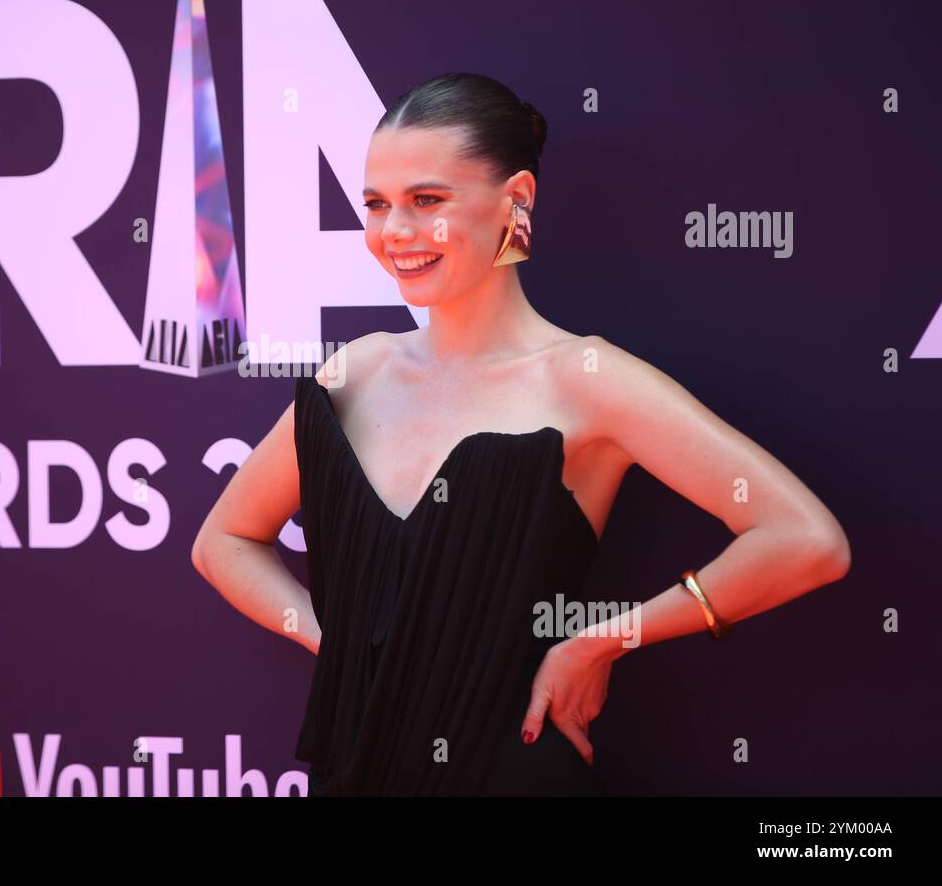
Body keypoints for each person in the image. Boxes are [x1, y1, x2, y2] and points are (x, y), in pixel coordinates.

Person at [190, 72, 851, 796]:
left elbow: (805, 540)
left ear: (518, 200)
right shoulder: (355, 373)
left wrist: (602, 641)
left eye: (428, 200)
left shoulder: (587, 378)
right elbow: (223, 541)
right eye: (376, 205)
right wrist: (335, 641)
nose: (395, 233)